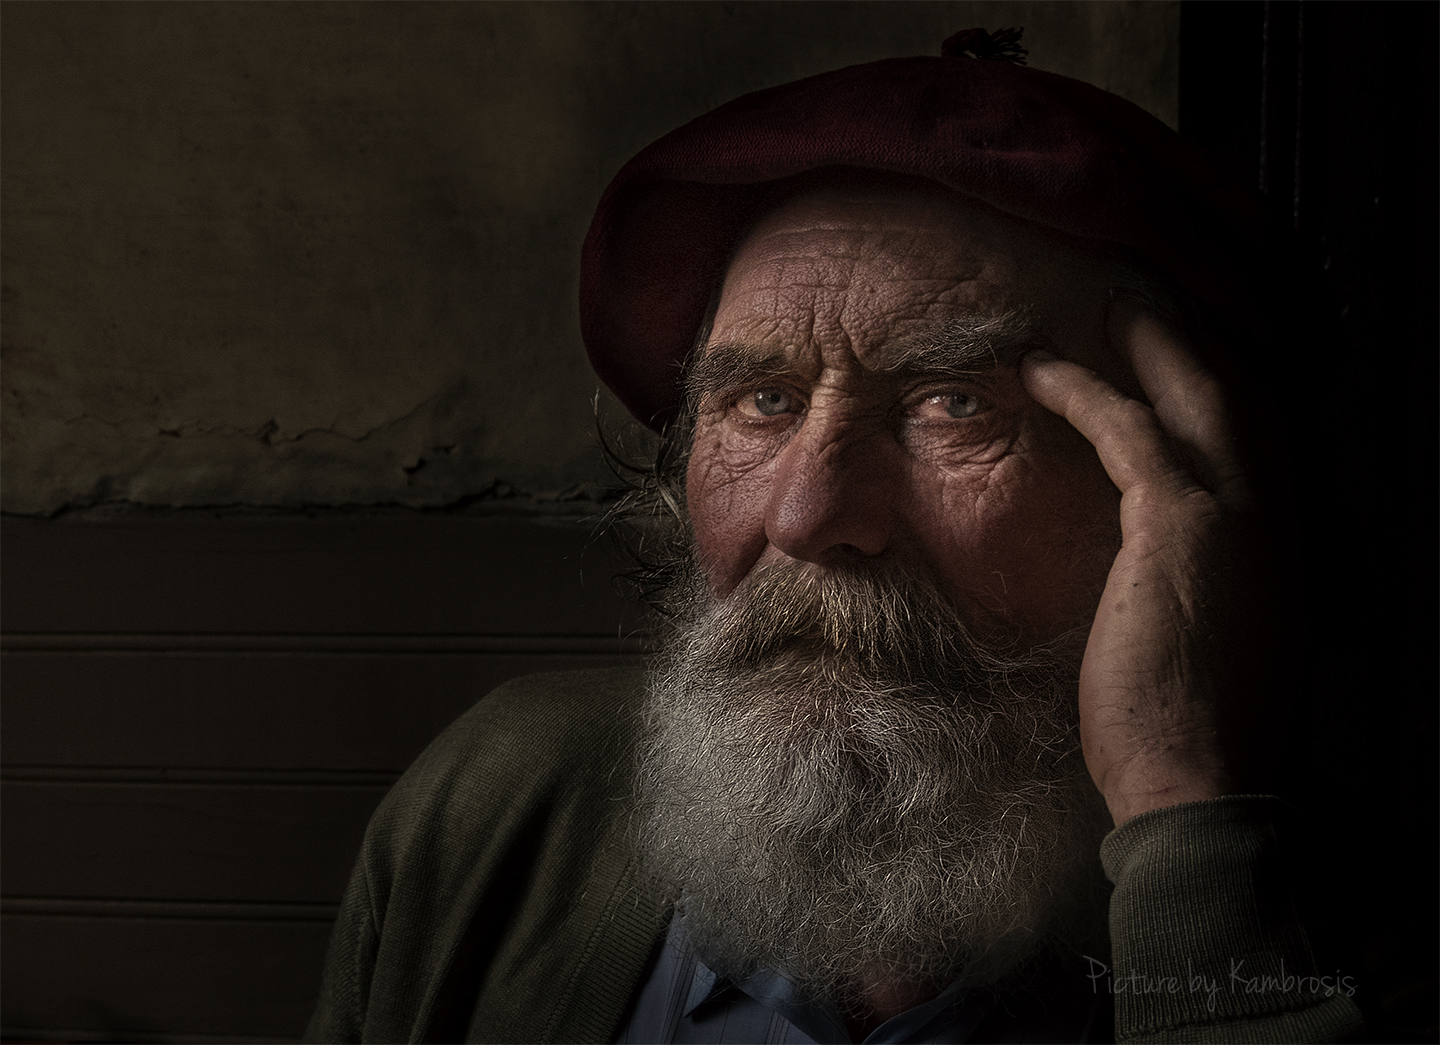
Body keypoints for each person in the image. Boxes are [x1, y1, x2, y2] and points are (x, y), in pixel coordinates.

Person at [307, 32, 1366, 1044]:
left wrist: (1183, 799)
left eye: (952, 402)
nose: (805, 516)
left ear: (1174, 490)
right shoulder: (502, 801)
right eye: (763, 400)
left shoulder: (1338, 946)